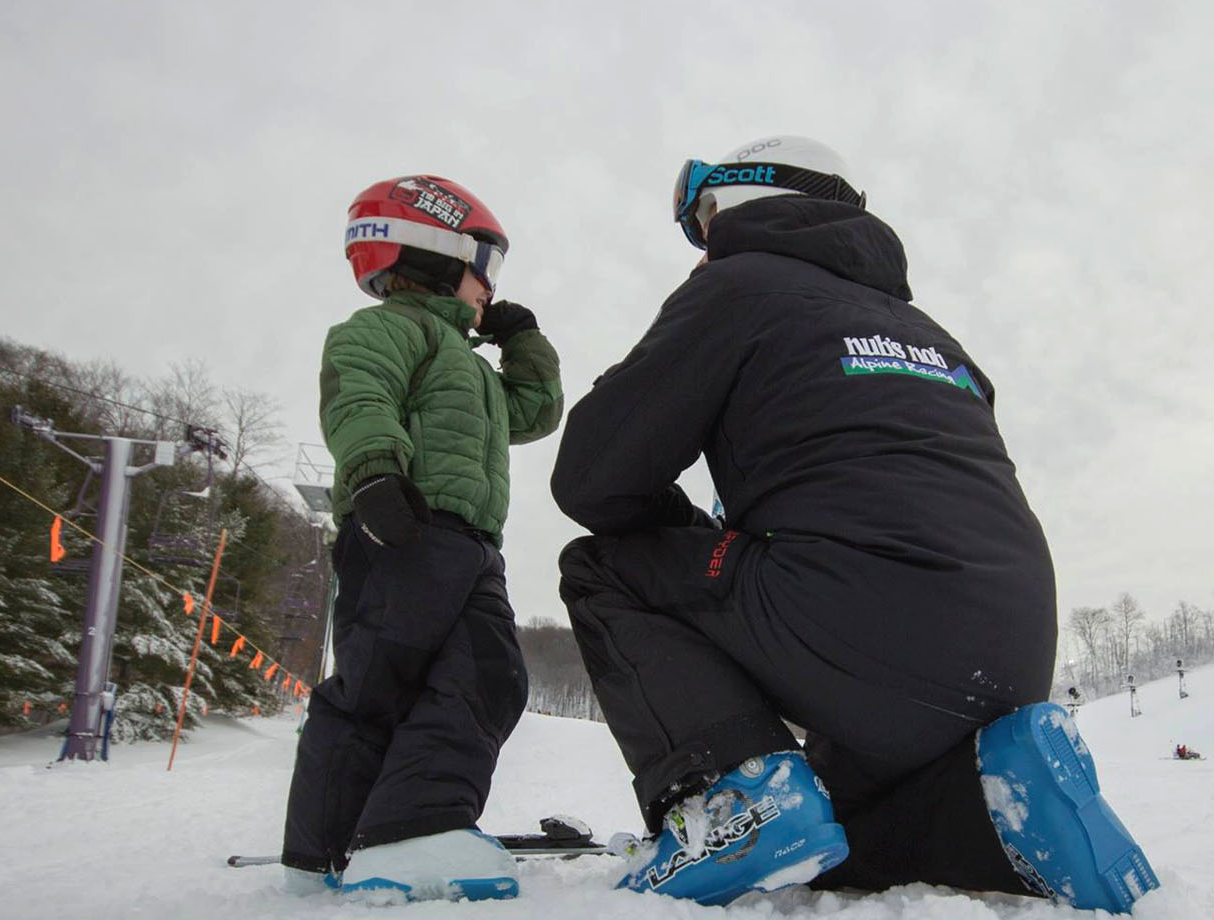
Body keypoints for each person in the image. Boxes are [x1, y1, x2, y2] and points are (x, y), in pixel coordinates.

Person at [551, 136, 1158, 912]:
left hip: (861, 621)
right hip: (1008, 658)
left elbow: (591, 480)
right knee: (832, 834)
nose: (702, 249)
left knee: (601, 564)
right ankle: (1000, 804)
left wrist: (687, 532)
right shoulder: (935, 336)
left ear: (737, 207)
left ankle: (737, 802)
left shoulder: (740, 286)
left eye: (703, 225)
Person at [281, 175, 564, 903]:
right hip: (404, 527)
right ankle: (329, 846)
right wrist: (376, 471)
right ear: (437, 250)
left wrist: (523, 339)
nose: (488, 290)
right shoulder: (387, 330)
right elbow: (360, 392)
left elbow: (534, 410)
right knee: (380, 682)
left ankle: (409, 827)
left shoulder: (468, 363)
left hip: (472, 545)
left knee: (492, 680)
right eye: (485, 268)